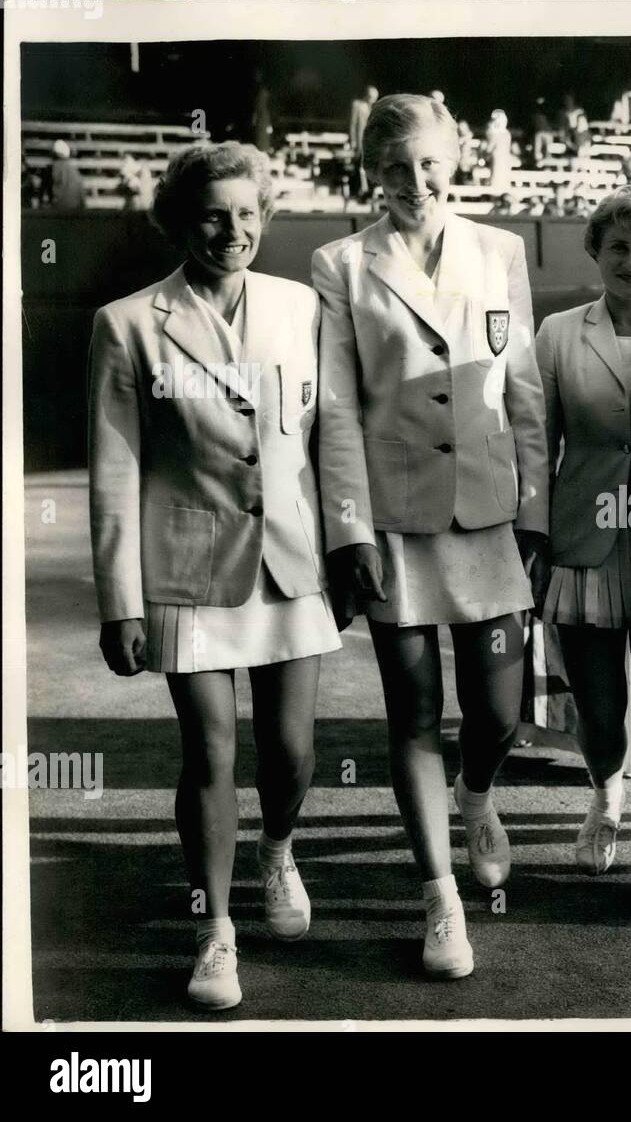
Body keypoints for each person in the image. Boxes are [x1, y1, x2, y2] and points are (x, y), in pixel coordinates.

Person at [88, 142, 341, 1010]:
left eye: (247, 214)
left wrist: (348, 543)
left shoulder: (303, 307)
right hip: (184, 565)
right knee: (210, 751)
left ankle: (278, 849)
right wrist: (119, 601)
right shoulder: (126, 323)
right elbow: (115, 470)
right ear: (178, 221)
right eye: (213, 215)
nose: (234, 231)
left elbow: (327, 441)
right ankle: (215, 929)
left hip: (289, 560)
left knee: (292, 749)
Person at [312, 95, 549, 979]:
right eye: (397, 167)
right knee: (412, 714)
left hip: (490, 518)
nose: (416, 183)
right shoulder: (339, 262)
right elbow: (336, 408)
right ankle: (441, 897)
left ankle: (477, 794)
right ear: (372, 171)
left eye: (430, 166)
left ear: (456, 164)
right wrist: (349, 530)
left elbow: (524, 391)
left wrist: (537, 514)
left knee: (496, 710)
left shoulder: (501, 251)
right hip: (393, 523)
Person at [536, 188, 631, 913]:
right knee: (601, 712)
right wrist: (534, 535)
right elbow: (538, 447)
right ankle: (606, 792)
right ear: (596, 252)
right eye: (619, 247)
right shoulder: (559, 333)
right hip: (584, 538)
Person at [49, 140, 85, 210]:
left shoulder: (54, 168)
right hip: (75, 208)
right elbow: (81, 194)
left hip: (60, 209)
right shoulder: (74, 170)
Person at [486, 108, 513, 195]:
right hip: (506, 158)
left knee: (496, 178)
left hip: (497, 158)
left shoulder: (496, 133)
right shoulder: (507, 133)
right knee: (503, 179)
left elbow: (489, 148)